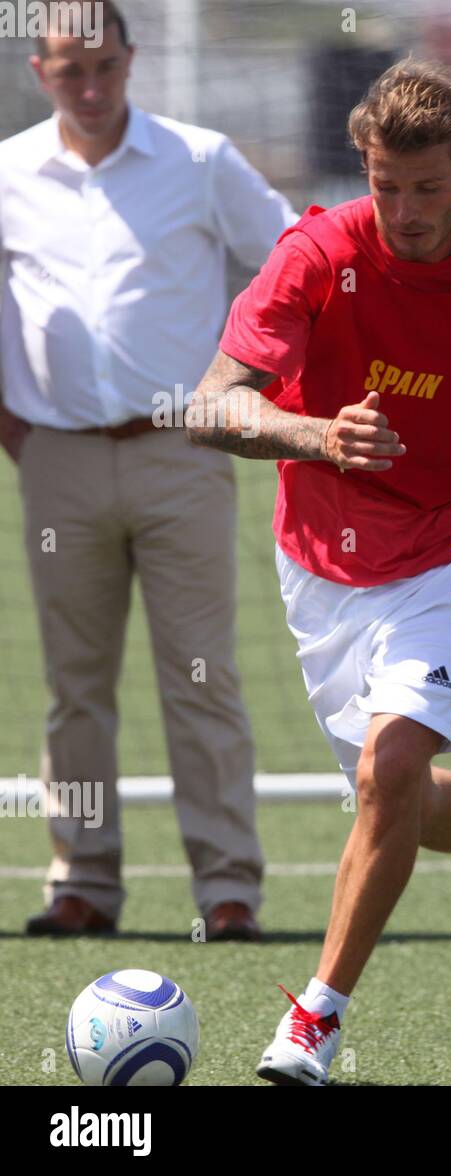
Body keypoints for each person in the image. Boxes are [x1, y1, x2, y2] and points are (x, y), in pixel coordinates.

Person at [186, 59, 451, 1086]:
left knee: (387, 775)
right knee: (396, 797)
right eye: (384, 186)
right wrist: (313, 435)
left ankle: (316, 1018)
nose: (405, 212)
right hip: (324, 562)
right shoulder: (316, 254)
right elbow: (210, 405)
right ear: (363, 170)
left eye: (427, 188)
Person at [1, 1, 293, 940]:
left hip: (184, 452)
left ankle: (227, 888)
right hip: (55, 463)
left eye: (105, 66)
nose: (90, 88)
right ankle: (83, 879)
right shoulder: (6, 174)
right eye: (68, 69)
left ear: (131, 58)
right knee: (74, 685)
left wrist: (252, 397)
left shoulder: (199, 159)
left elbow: (293, 262)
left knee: (201, 675)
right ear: (40, 69)